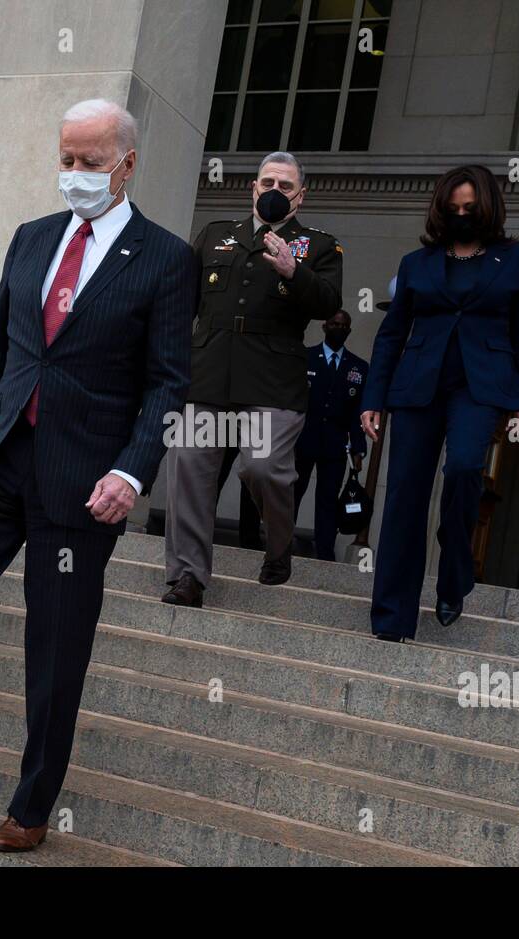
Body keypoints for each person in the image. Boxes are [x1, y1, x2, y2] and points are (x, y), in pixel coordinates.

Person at [0, 99, 195, 852]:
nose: (74, 174)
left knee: (55, 645)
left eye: (90, 162)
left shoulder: (164, 258)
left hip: (85, 478)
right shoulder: (31, 240)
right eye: (66, 158)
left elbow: (166, 381)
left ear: (127, 164)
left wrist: (132, 471)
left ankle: (32, 805)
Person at [360, 164, 519, 642]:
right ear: (442, 210)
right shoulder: (417, 263)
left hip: (479, 390)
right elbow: (391, 334)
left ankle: (456, 571)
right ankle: (393, 617)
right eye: (453, 208)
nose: (461, 215)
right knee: (404, 498)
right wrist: (373, 398)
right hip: (418, 387)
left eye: (470, 208)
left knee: (463, 469)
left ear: (487, 208)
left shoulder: (515, 261)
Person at [162, 151, 342, 606]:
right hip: (209, 373)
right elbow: (183, 304)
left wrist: (292, 270)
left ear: (300, 196)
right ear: (253, 188)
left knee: (262, 468)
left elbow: (328, 304)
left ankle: (278, 545)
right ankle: (188, 576)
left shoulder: (318, 245)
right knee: (189, 465)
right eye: (268, 183)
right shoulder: (217, 235)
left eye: (285, 186)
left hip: (273, 380)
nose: (274, 192)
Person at [294, 309, 367, 560]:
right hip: (302, 439)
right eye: (334, 324)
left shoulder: (358, 367)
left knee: (328, 500)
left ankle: (324, 552)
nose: (339, 328)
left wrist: (359, 449)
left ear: (349, 331)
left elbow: (359, 412)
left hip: (336, 445)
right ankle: (279, 544)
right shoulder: (305, 357)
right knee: (293, 492)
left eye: (344, 326)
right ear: (324, 327)